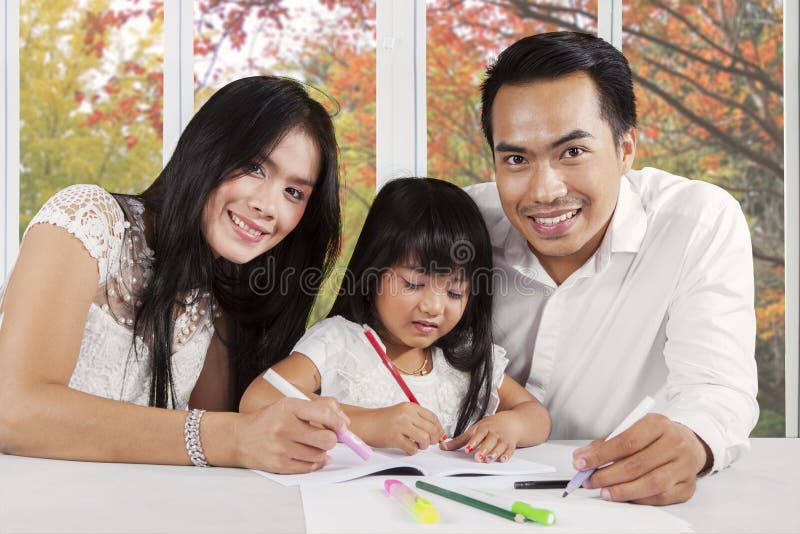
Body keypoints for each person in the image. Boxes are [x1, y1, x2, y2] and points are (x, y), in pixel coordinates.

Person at [0, 75, 353, 474]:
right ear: (206, 149)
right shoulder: (87, 220)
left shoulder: (218, 290)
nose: (268, 206)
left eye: (294, 192)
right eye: (255, 167)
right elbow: (15, 411)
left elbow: (225, 437)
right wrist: (234, 437)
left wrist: (293, 427)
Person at [467, 31, 758, 504]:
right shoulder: (464, 226)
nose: (544, 191)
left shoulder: (696, 220)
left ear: (625, 150)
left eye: (573, 152)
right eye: (517, 159)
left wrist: (694, 440)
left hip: (617, 505)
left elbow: (716, 386)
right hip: (471, 496)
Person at [241, 178, 551, 461]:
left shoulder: (464, 355)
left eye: (455, 292)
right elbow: (258, 398)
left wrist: (510, 426)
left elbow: (537, 417)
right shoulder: (341, 341)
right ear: (374, 273)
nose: (433, 306)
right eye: (414, 284)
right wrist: (369, 423)